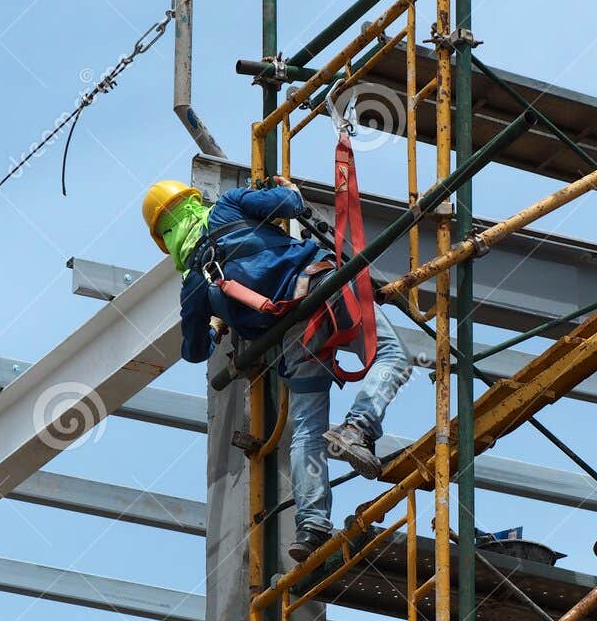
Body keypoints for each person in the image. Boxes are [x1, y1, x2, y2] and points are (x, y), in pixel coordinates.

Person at [142, 177, 413, 562]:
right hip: (321, 290)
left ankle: (312, 524)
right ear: (193, 203)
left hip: (292, 335)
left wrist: (213, 322)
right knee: (392, 356)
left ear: (165, 238)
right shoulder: (229, 206)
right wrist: (281, 186)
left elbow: (194, 350)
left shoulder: (193, 284)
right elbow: (289, 204)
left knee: (307, 427)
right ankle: (359, 427)